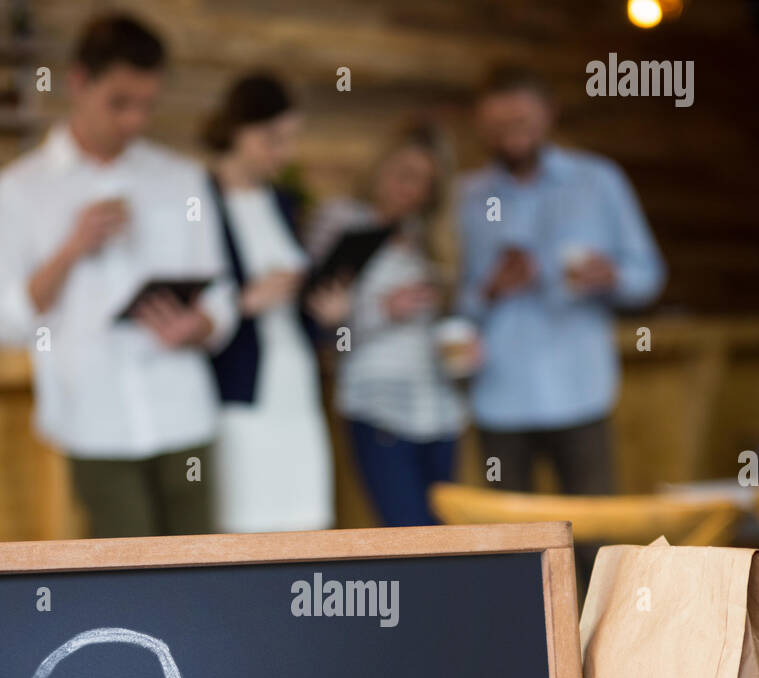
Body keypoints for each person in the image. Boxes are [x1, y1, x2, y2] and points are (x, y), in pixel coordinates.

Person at [0, 14, 235, 538]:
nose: (135, 121)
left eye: (146, 104)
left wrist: (200, 326)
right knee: (127, 597)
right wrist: (71, 249)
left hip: (185, 414)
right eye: (120, 102)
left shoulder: (180, 178)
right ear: (78, 83)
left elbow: (223, 295)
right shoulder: (19, 188)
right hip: (93, 423)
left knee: (207, 585)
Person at [458, 63, 666, 498]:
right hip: (499, 397)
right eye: (498, 126)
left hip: (581, 391)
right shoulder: (465, 197)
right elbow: (447, 308)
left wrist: (612, 276)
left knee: (594, 540)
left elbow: (648, 275)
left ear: (549, 113)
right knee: (509, 549)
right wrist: (489, 290)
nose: (510, 135)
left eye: (521, 122)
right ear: (480, 123)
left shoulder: (598, 181)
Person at [307, 125, 472, 527]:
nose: (411, 191)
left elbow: (455, 317)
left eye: (426, 183)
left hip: (440, 408)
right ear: (381, 167)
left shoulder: (429, 238)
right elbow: (320, 326)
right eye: (405, 175)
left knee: (444, 540)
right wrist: (384, 309)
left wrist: (467, 347)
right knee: (409, 534)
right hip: (378, 406)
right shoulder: (342, 223)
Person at [203, 73, 334, 533]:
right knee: (247, 525)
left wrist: (326, 314)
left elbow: (300, 300)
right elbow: (193, 297)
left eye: (290, 139)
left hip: (294, 383)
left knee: (305, 522)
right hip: (237, 390)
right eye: (273, 139)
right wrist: (246, 301)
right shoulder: (199, 198)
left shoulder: (283, 202)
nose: (284, 152)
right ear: (239, 129)